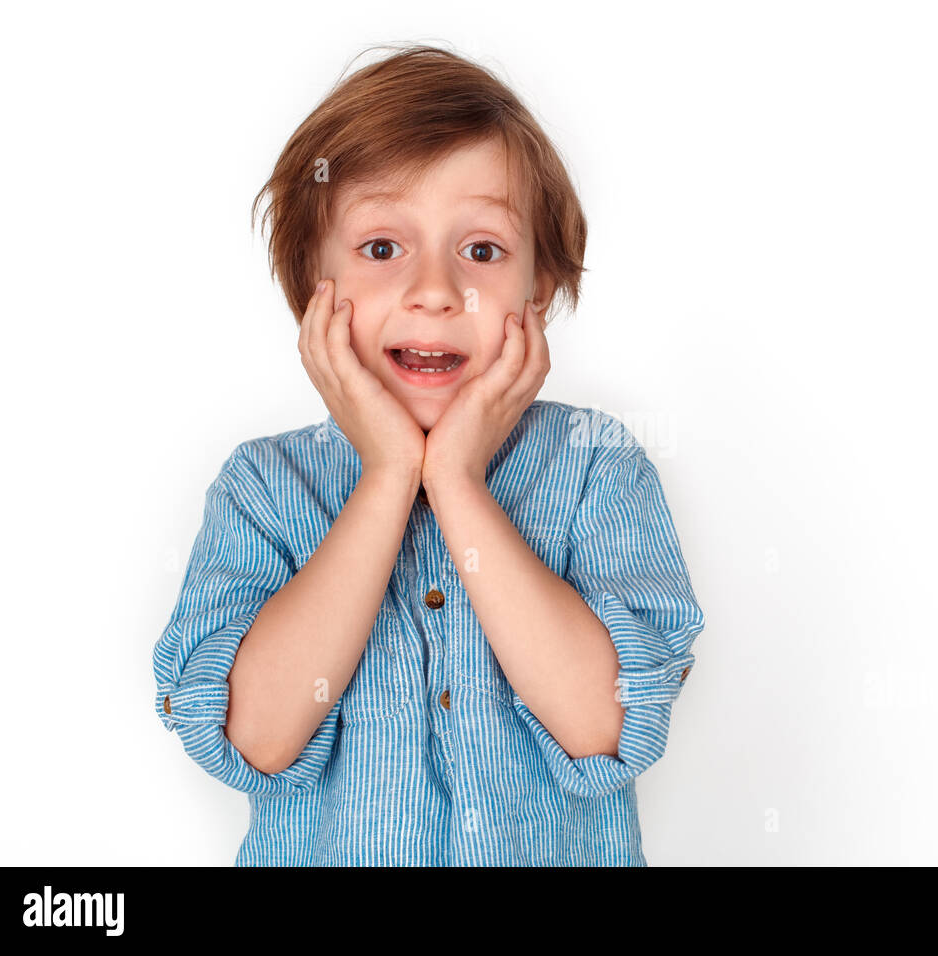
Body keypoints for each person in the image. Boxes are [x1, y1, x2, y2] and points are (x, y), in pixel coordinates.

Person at [151, 43, 705, 866]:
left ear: (539, 290)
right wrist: (385, 479)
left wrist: (455, 479)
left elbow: (604, 727)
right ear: (314, 283)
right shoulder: (263, 489)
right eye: (383, 249)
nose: (436, 290)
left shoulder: (598, 467)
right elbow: (255, 740)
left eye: (482, 251)